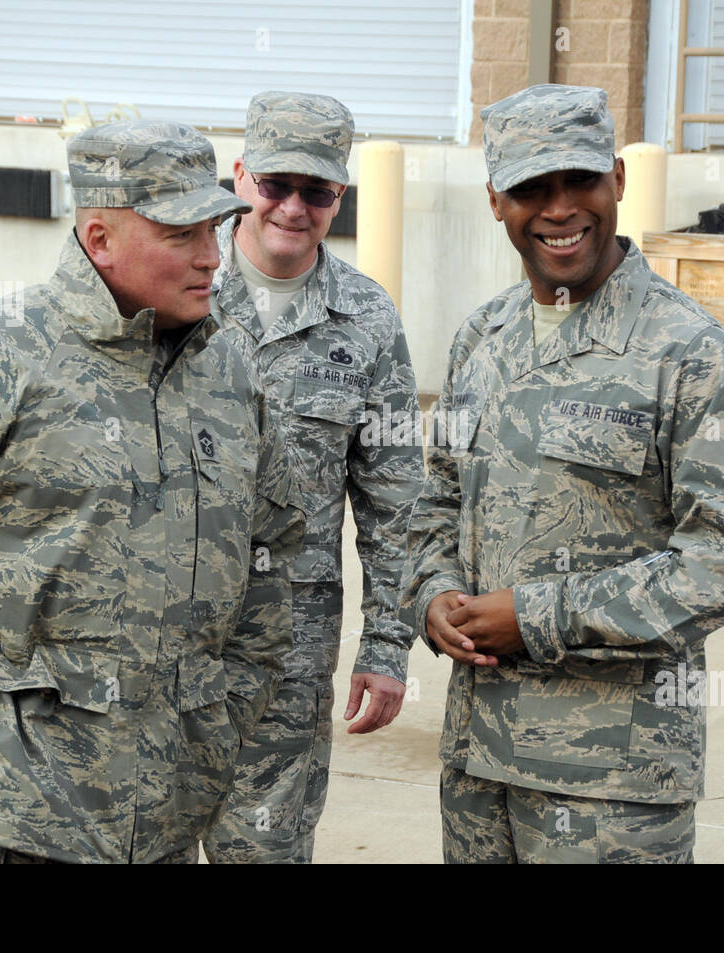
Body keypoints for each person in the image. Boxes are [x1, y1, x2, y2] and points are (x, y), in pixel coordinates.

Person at [0, 119, 303, 864]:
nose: (212, 257)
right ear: (100, 238)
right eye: (181, 236)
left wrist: (231, 709)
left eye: (217, 228)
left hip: (168, 815)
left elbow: (271, 551)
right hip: (8, 822)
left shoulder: (229, 372)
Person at [400, 84, 724, 864]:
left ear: (617, 178)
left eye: (580, 181)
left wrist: (538, 615)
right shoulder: (484, 337)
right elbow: (433, 500)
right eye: (531, 189)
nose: (560, 208)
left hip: (614, 787)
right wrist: (431, 594)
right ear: (495, 201)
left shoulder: (690, 352)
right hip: (478, 768)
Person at [202, 91, 425, 863]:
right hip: (160, 643)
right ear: (241, 176)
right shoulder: (175, 288)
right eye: (276, 185)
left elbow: (396, 503)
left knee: (264, 850)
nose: (294, 208)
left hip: (287, 657)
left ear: (339, 196)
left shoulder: (367, 319)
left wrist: (388, 646)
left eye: (318, 191)